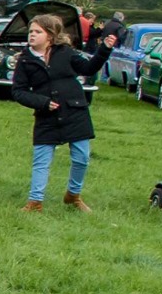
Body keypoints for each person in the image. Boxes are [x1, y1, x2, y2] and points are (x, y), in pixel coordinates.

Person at [10, 13, 114, 212]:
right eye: (30, 31)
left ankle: (73, 195)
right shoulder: (25, 60)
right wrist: (42, 102)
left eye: (37, 32)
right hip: (46, 116)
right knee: (41, 160)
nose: (31, 35)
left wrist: (105, 49)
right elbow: (18, 91)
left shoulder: (66, 52)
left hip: (75, 111)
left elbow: (89, 68)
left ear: (50, 35)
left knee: (81, 157)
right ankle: (35, 202)